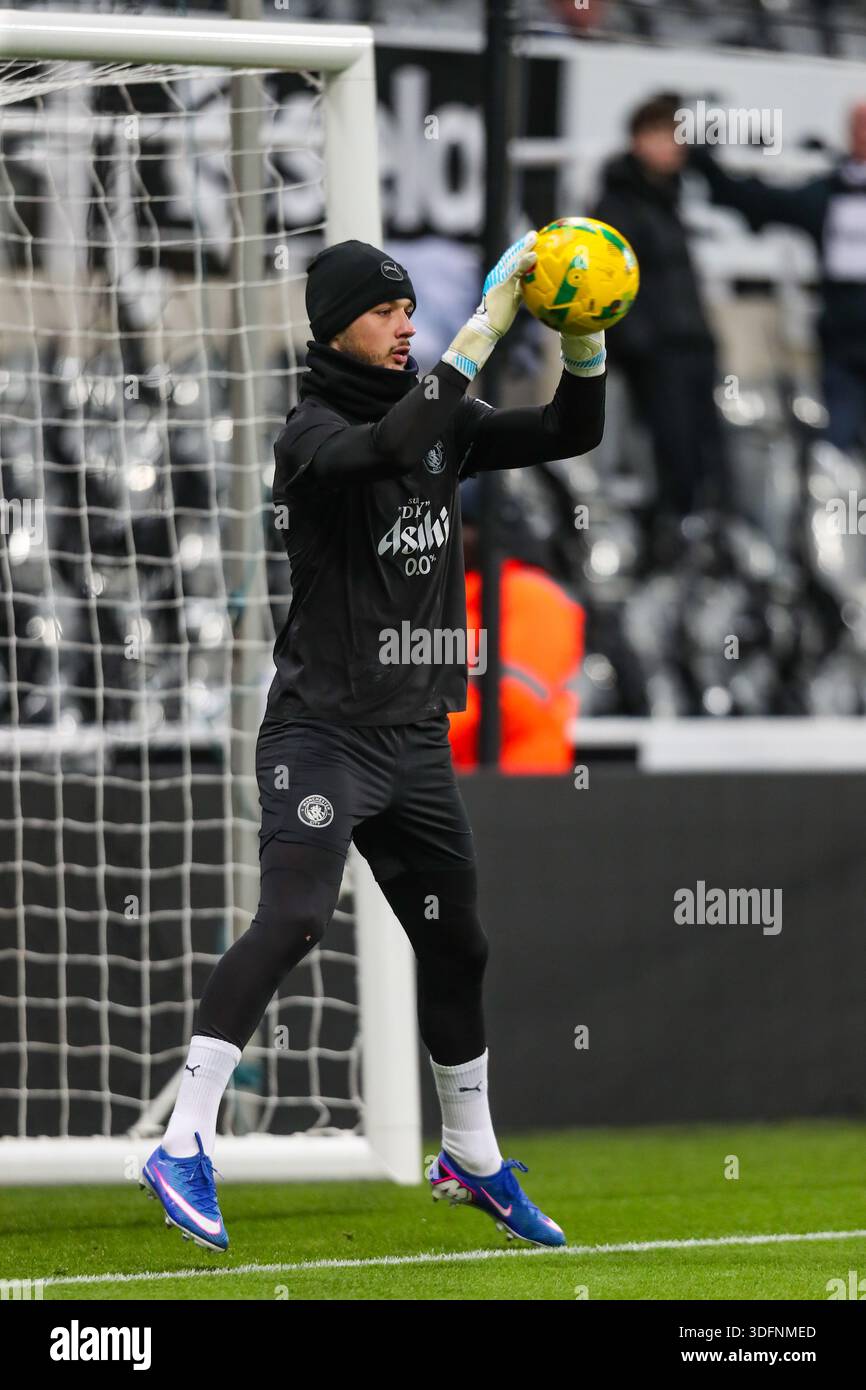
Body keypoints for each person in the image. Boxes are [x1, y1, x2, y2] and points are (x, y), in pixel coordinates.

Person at [141, 234, 606, 1251]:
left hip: (410, 741)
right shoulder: (309, 433)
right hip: (321, 734)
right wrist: (485, 325)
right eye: (386, 310)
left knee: (457, 941)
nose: (406, 322)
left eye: (411, 310)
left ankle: (470, 1156)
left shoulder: (447, 423)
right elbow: (393, 447)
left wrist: (582, 336)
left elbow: (573, 429)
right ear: (336, 324)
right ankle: (182, 1141)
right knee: (297, 917)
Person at [687, 99, 866, 455]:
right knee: (838, 447)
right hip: (845, 341)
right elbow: (763, 201)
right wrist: (706, 165)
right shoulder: (829, 193)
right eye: (859, 127)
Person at [593, 93, 727, 553]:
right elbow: (611, 286)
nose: (678, 146)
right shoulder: (617, 205)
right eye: (668, 134)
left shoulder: (667, 199)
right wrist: (640, 346)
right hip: (658, 356)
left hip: (691, 350)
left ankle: (694, 544)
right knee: (667, 459)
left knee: (705, 458)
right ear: (640, 138)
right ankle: (662, 548)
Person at [448, 478, 584, 772]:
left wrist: (416, 736)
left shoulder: (532, 595)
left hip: (521, 792)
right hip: (466, 787)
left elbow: (517, 702)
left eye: (458, 525)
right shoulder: (461, 600)